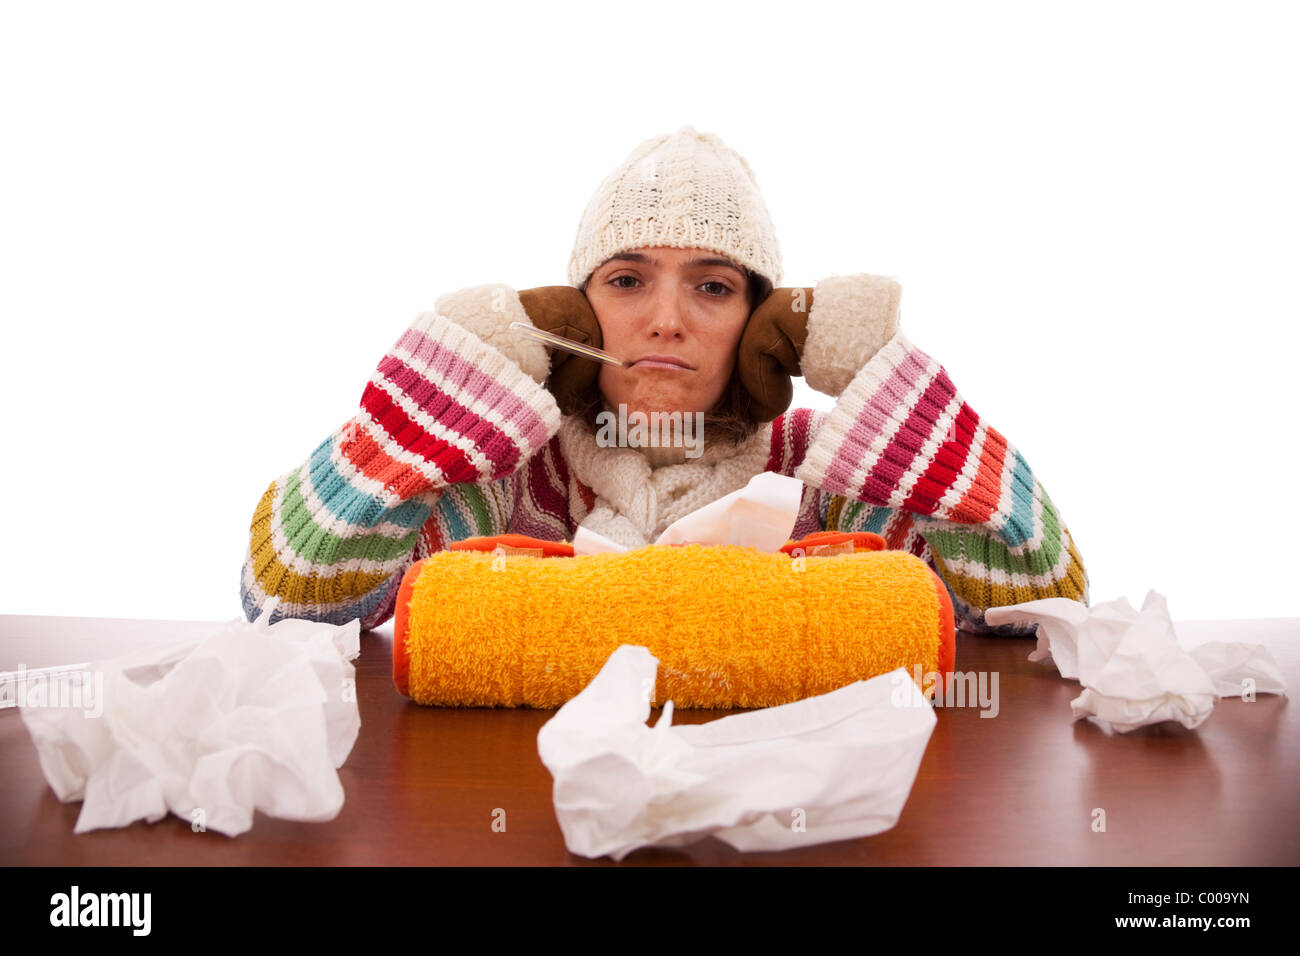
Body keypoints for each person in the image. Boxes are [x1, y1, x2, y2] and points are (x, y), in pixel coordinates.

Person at [240, 125, 1089, 635]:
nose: (667, 320)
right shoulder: (516, 475)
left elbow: (1039, 603)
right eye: (627, 280)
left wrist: (882, 375)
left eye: (714, 287)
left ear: (764, 324)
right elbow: (290, 602)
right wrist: (440, 389)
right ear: (574, 314)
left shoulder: (819, 472)